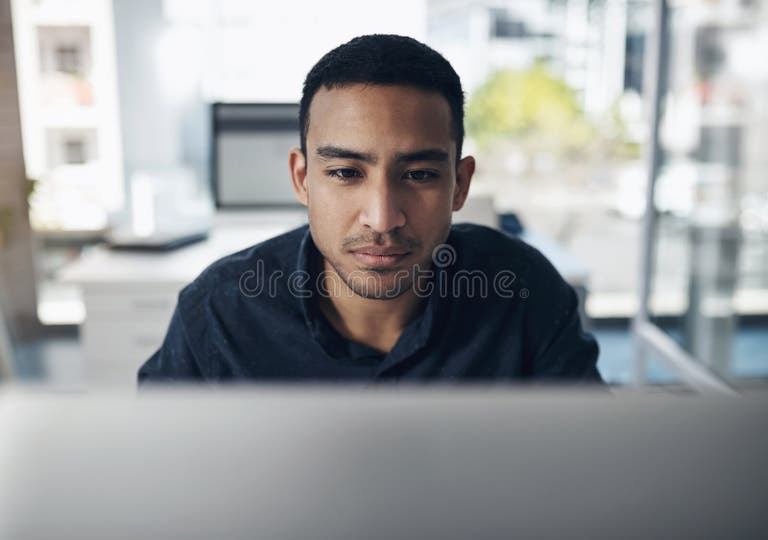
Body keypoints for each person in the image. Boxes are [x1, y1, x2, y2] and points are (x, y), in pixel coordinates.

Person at [138, 34, 602, 384]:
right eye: (345, 173)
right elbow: (154, 482)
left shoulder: (526, 296)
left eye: (418, 174)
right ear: (302, 179)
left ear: (459, 185)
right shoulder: (219, 314)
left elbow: (594, 475)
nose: (382, 218)